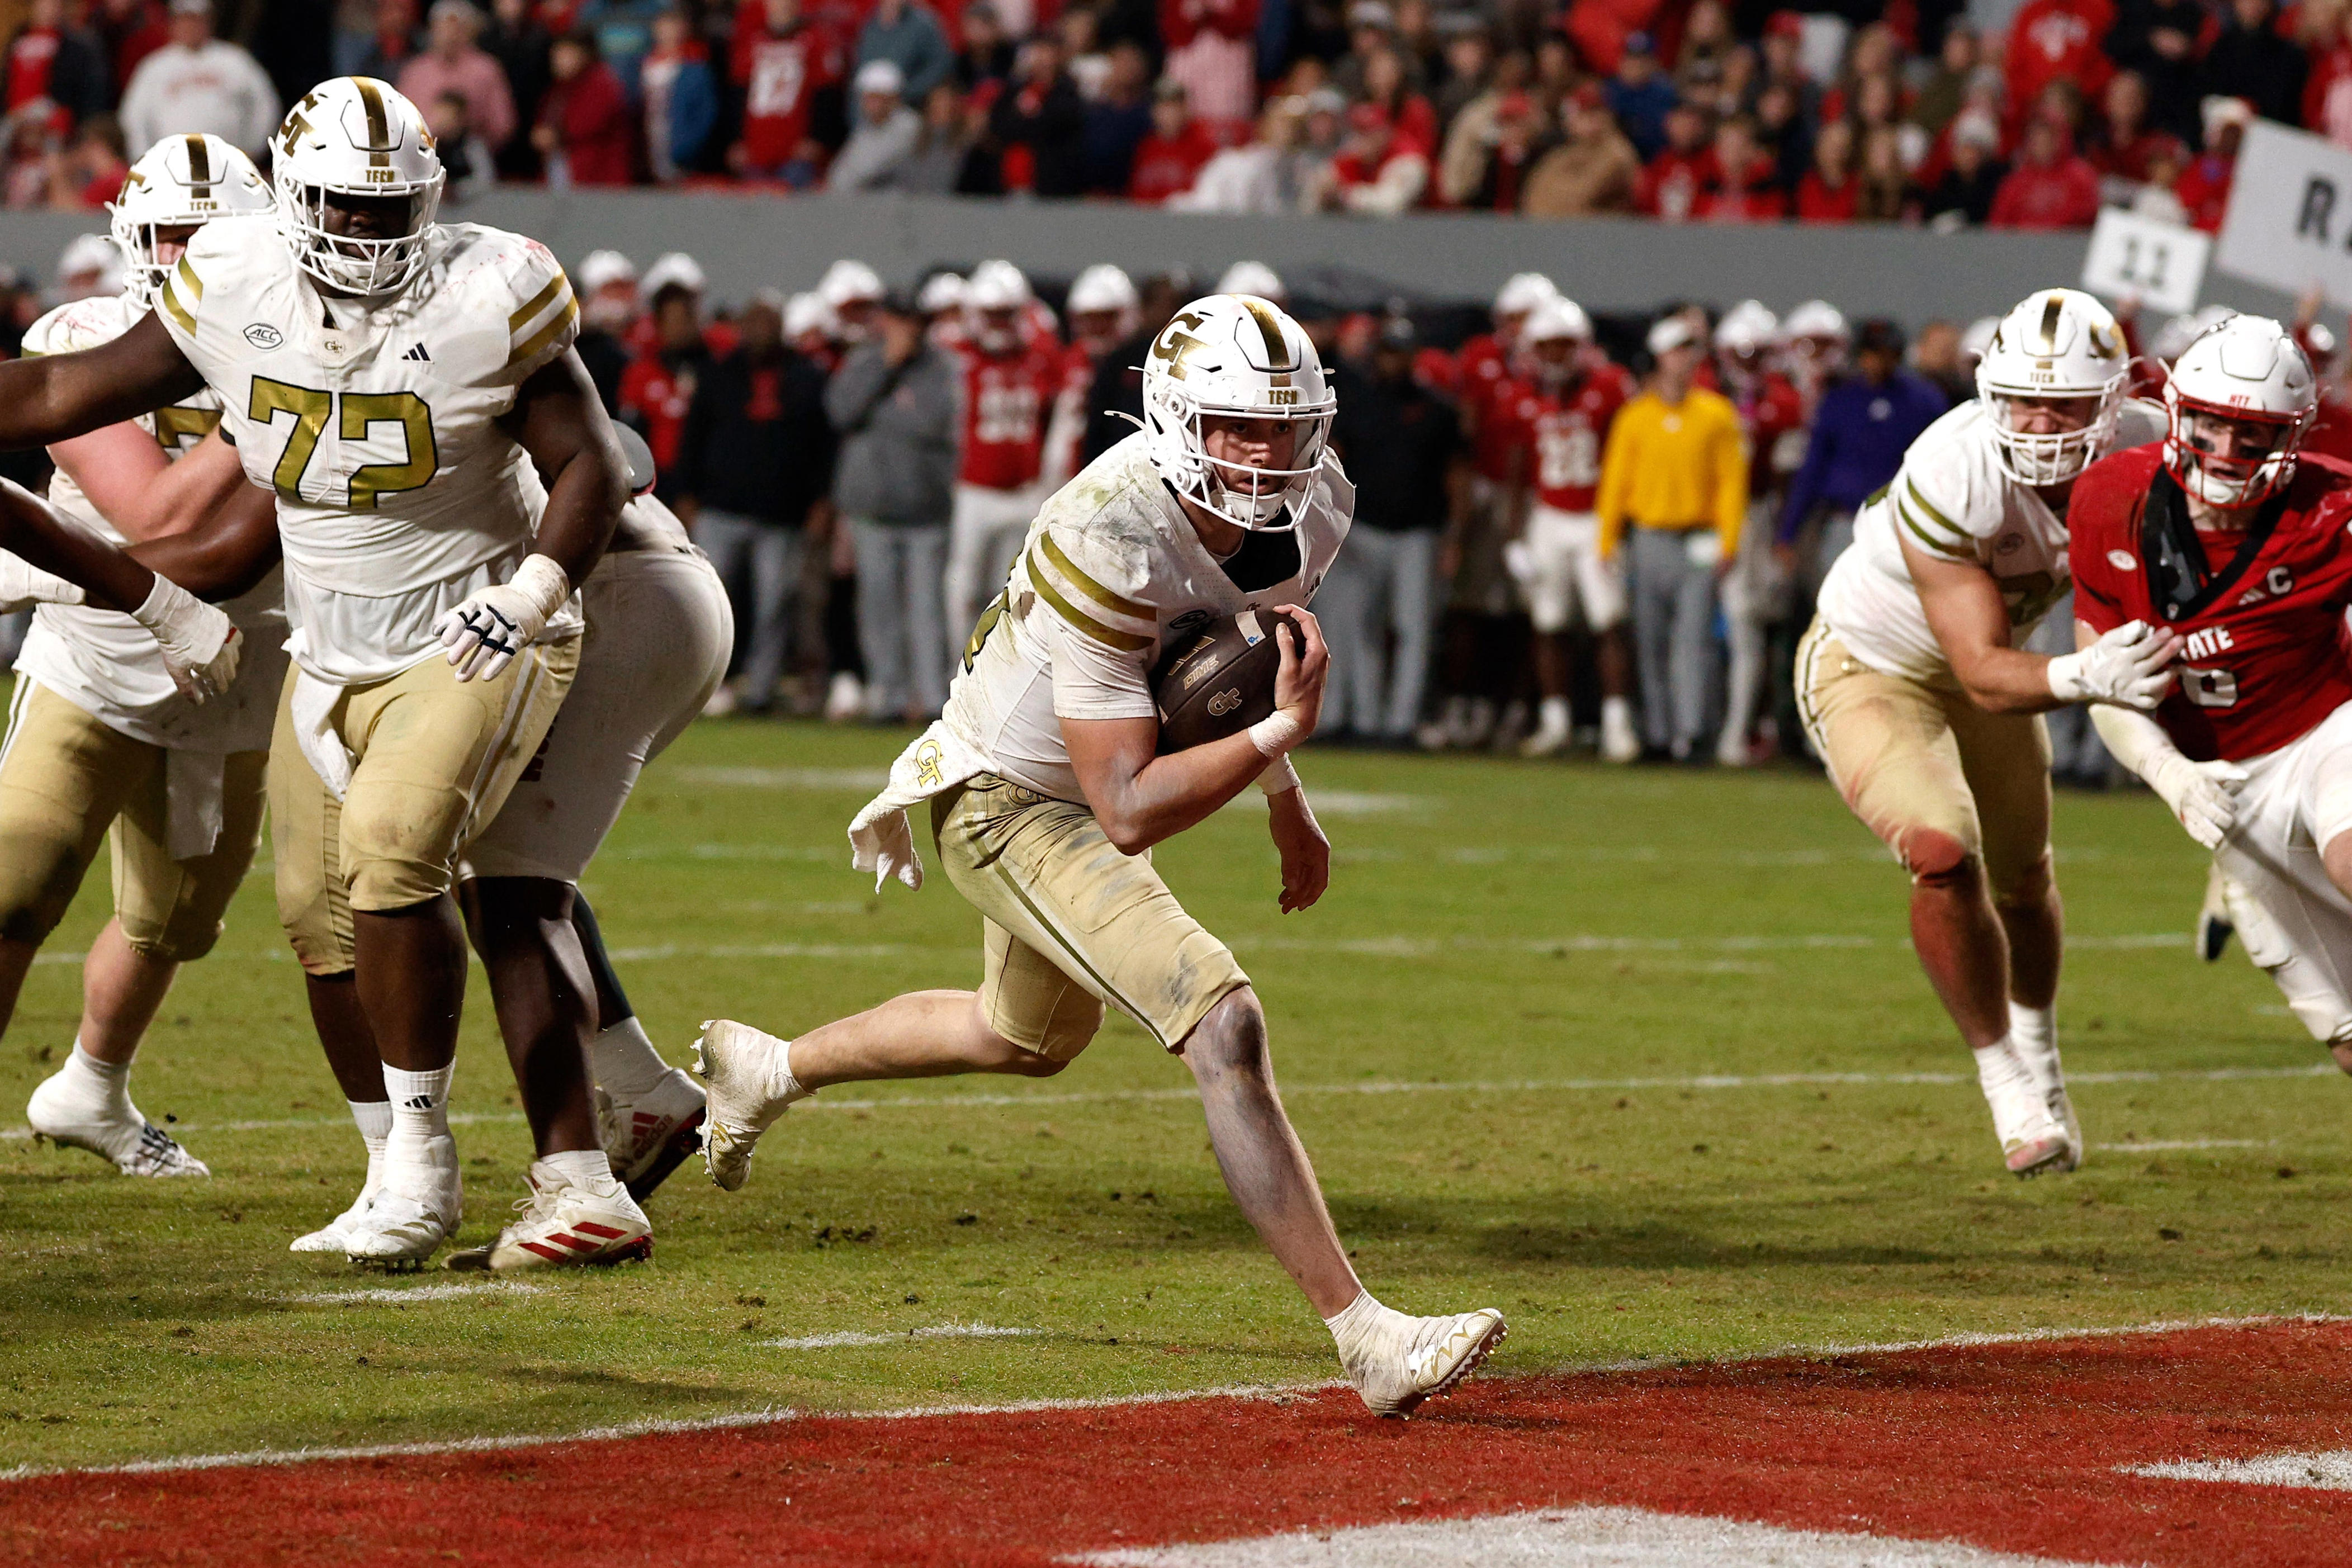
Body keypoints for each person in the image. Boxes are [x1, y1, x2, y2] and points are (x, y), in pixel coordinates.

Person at [691, 292, 1507, 1418]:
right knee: (1221, 1017)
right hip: (1009, 800)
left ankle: (770, 1068)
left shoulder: (1318, 503)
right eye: (1238, 427)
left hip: (1075, 783)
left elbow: (1232, 661)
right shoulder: (1105, 529)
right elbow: (1123, 805)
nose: (1269, 455)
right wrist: (1279, 739)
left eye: (1287, 425)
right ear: (1176, 418)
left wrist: (1283, 792)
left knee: (1016, 1034)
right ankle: (1364, 1335)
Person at [0, 77, 632, 1266]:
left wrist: (533, 589)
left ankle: (440, 1163)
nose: (368, 236)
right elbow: (56, 393)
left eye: (391, 212)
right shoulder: (230, 280)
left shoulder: (492, 289)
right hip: (326, 646)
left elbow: (593, 460)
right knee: (318, 917)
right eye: (343, 207)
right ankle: (398, 1162)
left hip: (475, 624)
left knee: (394, 853)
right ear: (294, 199)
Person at [1800, 289, 2169, 1178]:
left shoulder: (2148, 445)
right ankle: (2003, 1074)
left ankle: (2039, 1048)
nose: (2037, 422)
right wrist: (2086, 675)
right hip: (1874, 668)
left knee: (2025, 880)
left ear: (2111, 400)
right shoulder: (1952, 466)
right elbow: (1977, 667)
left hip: (2002, 671)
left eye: (2064, 402)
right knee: (1940, 851)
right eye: (2019, 398)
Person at [13, 134, 285, 1179]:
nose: (190, 253)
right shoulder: (83, 335)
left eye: (214, 236)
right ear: (134, 238)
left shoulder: (300, 336)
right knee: (15, 880)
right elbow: (149, 511)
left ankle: (91, 1086)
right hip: (98, 657)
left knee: (178, 921)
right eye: (172, 232)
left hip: (238, 673)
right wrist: (284, 401)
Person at [2070, 317, 2352, 1078]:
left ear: (2288, 436)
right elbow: (2102, 678)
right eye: (2210, 425)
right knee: (2344, 1031)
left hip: (2327, 727)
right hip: (2225, 781)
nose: (2226, 453)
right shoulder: (2106, 499)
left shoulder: (2333, 509)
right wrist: (2169, 775)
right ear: (2175, 412)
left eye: (2252, 436)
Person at [675, 291, 836, 717]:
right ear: (743, 326)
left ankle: (760, 689)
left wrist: (821, 501)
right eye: (756, 321)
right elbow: (692, 438)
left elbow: (823, 447)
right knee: (711, 604)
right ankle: (706, 684)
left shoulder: (806, 376)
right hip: (720, 507)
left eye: (771, 322)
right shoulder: (717, 373)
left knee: (773, 605)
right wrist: (686, 495)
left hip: (781, 513)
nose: (763, 330)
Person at [1595, 315, 1747, 762]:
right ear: (1660, 357)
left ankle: (1692, 730)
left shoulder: (1716, 414)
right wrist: (1607, 540)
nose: (1686, 360)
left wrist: (1729, 541)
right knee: (1650, 639)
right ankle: (1659, 732)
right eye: (1678, 351)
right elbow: (1615, 482)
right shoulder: (1635, 416)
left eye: (1691, 351)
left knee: (1694, 640)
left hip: (1698, 538)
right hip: (1648, 537)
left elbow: (1730, 482)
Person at [1504, 296, 1636, 761]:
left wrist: (1624, 525)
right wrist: (1514, 534)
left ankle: (1618, 724)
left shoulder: (1610, 387)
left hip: (1596, 516)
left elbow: (1629, 458)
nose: (1555, 357)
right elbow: (1518, 465)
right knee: (1548, 623)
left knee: (1608, 623)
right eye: (1546, 347)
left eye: (1563, 346)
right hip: (1547, 516)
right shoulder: (1523, 393)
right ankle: (1555, 721)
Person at [1322, 313, 1456, 747]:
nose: (1392, 362)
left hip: (1417, 532)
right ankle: (1364, 718)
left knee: (1413, 628)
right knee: (1357, 626)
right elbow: (1332, 463)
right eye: (1387, 352)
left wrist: (1453, 537)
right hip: (1362, 529)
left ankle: (1401, 723)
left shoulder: (1436, 409)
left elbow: (1457, 477)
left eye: (1400, 353)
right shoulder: (1356, 404)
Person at [831, 287, 959, 724]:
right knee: (877, 608)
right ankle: (886, 696)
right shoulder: (865, 362)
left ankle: (931, 701)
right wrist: (887, 367)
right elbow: (839, 411)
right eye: (899, 317)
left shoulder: (942, 367)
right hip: (871, 506)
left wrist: (887, 413)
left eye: (913, 319)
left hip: (926, 507)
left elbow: (938, 422)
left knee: (926, 610)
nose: (906, 327)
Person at [942, 260, 1063, 659]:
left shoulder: (1042, 355)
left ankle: (1002, 676)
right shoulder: (957, 355)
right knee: (963, 589)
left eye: (1005, 313)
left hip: (1024, 490)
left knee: (1015, 595)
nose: (997, 323)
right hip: (974, 490)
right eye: (990, 313)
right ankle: (958, 674)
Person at [1778, 320, 1949, 584]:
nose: (1877, 361)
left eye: (1885, 352)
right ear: (1859, 355)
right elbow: (1812, 468)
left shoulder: (1923, 400)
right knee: (1839, 601)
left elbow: (1943, 463)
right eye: (1871, 352)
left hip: (1901, 524)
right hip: (1845, 520)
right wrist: (1789, 533)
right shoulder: (1840, 401)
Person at [1711, 300, 1807, 767]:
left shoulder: (1784, 402)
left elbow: (1785, 480)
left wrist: (1780, 537)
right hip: (1702, 518)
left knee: (1752, 627)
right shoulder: (1704, 395)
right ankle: (1710, 727)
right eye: (1741, 354)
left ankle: (1744, 729)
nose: (1748, 365)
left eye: (1756, 355)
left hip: (1757, 519)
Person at [116, 0, 277, 159]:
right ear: (173, 23)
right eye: (185, 19)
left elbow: (265, 105)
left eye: (196, 19)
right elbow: (133, 118)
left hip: (228, 163)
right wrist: (146, 162)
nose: (190, 26)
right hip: (171, 166)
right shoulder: (154, 66)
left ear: (209, 21)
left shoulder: (235, 60)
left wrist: (252, 150)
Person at [397, 1, 517, 160]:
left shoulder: (487, 70)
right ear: (432, 30)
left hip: (471, 156)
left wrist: (466, 126)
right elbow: (397, 124)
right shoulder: (415, 71)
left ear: (470, 31)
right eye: (443, 27)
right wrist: (433, 127)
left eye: (457, 28)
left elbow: (504, 126)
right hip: (421, 156)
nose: (449, 34)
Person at [826, 59, 922, 190]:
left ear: (893, 98)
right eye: (867, 98)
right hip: (855, 201)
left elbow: (870, 170)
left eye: (876, 98)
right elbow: (842, 169)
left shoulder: (908, 125)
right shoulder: (867, 127)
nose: (870, 105)